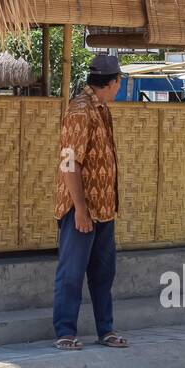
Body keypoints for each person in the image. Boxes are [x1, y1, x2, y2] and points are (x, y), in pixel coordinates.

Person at [53, 53, 127, 351]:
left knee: (103, 272)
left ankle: (105, 329)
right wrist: (80, 208)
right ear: (114, 82)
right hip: (80, 209)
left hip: (104, 207)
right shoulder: (80, 111)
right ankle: (65, 332)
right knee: (72, 272)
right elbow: (69, 163)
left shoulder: (101, 109)